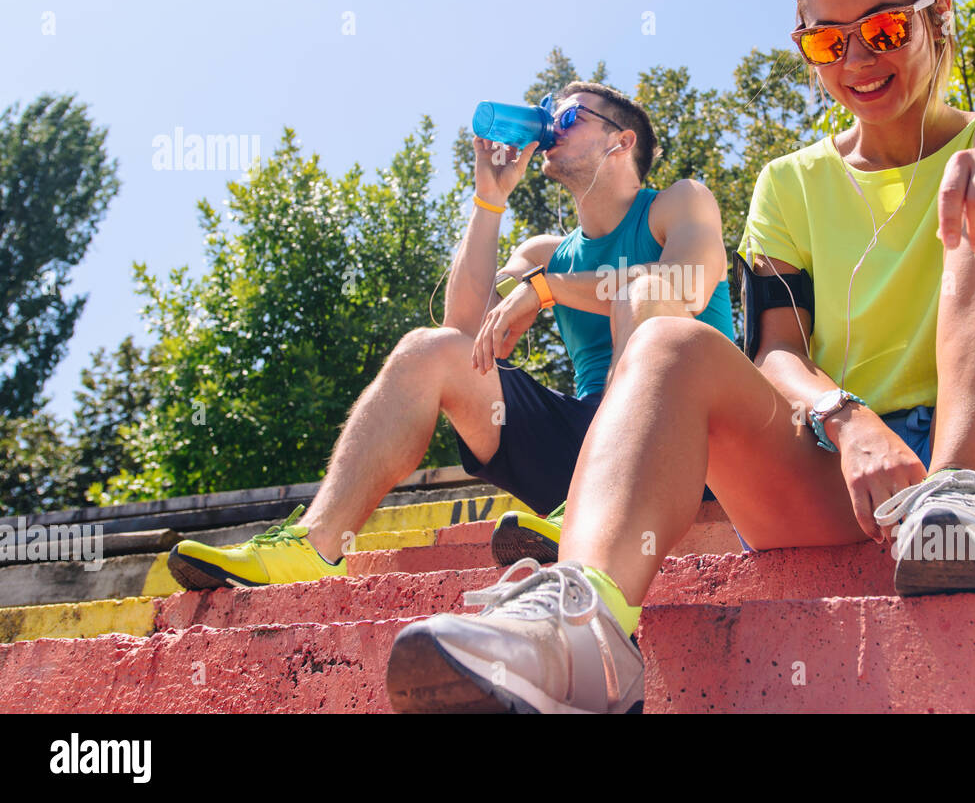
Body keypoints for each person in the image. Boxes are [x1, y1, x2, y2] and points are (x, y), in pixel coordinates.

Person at [385, 0, 975, 714]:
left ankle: (960, 498)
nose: (856, 59)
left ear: (937, 14)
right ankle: (583, 633)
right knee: (668, 340)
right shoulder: (789, 184)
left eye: (883, 29)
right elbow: (774, 352)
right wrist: (848, 419)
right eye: (825, 40)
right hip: (852, 483)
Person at [165, 82, 733, 589]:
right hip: (585, 453)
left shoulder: (678, 202)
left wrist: (545, 290)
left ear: (620, 142)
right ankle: (315, 545)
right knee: (426, 351)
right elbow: (466, 336)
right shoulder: (545, 254)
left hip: (695, 444)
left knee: (648, 290)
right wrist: (490, 199)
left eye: (568, 117)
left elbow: (689, 282)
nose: (548, 127)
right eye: (546, 115)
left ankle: (605, 505)